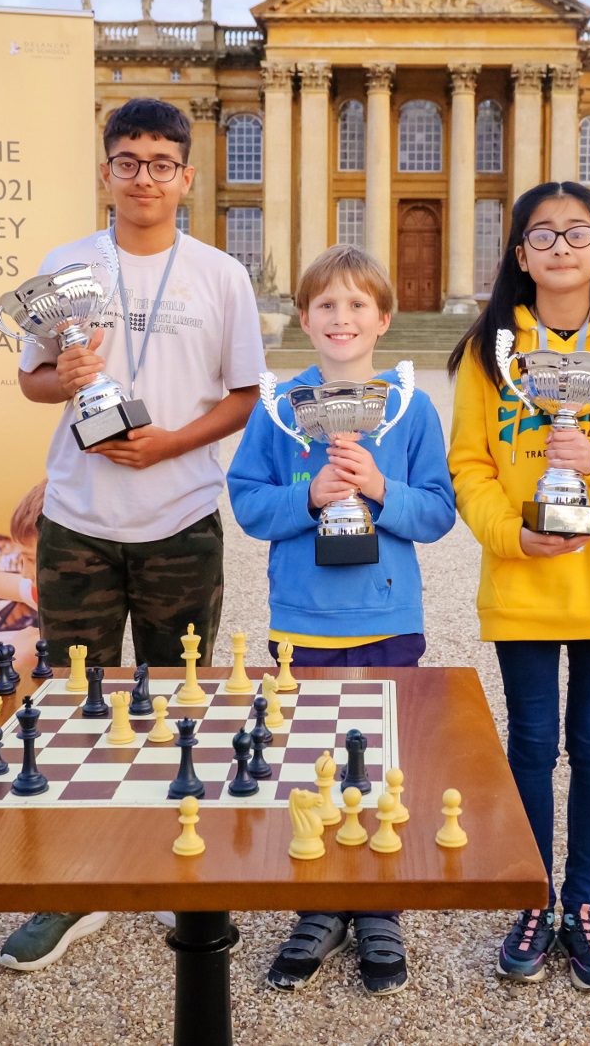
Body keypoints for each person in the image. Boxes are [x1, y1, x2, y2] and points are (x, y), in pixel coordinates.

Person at [0, 96, 263, 972]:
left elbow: (243, 395)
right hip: (78, 517)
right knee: (76, 699)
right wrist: (64, 374)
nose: (143, 176)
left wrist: (171, 443)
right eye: (127, 160)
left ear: (186, 177)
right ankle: (74, 886)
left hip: (182, 516)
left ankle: (171, 867)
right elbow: (35, 381)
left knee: (177, 696)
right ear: (105, 170)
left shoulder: (220, 274)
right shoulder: (66, 263)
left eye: (160, 162)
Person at [446, 181, 590, 991]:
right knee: (533, 743)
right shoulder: (489, 352)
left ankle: (580, 901)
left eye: (578, 233)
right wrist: (512, 533)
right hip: (523, 580)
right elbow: (467, 465)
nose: (561, 247)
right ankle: (532, 894)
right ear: (519, 256)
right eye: (541, 235)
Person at [226, 244, 455, 996]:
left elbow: (438, 512)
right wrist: (312, 497)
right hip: (304, 621)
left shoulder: (411, 408)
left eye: (357, 304)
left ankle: (381, 908)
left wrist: (379, 486)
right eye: (326, 304)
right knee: (311, 765)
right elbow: (250, 502)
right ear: (304, 318)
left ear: (383, 319)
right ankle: (319, 905)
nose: (342, 317)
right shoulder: (277, 406)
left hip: (388, 615)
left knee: (385, 764)